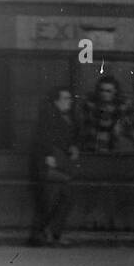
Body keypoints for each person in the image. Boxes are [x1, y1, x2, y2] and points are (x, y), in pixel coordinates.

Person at [27, 86, 80, 248]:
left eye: (70, 98)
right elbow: (43, 137)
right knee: (53, 197)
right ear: (56, 100)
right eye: (65, 98)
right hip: (50, 163)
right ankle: (45, 234)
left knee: (60, 196)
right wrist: (48, 155)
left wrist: (72, 146)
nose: (69, 102)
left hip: (57, 162)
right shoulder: (50, 115)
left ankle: (49, 234)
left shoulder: (63, 117)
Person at [79, 74, 134, 153]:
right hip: (94, 148)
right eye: (102, 90)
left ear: (115, 91)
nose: (104, 93)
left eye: (108, 91)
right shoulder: (90, 107)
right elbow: (85, 130)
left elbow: (129, 130)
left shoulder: (124, 109)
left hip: (118, 150)